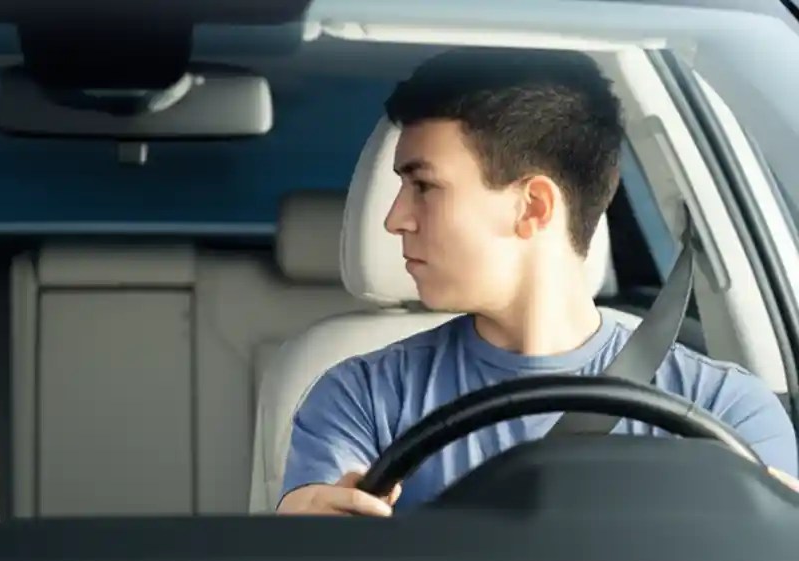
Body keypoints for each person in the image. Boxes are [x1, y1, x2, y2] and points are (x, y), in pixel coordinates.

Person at [278, 47, 798, 517]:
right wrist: (305, 544)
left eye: (423, 186)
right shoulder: (361, 400)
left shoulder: (725, 413)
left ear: (533, 207)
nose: (395, 219)